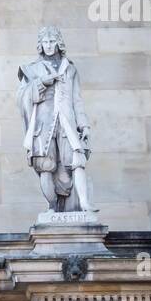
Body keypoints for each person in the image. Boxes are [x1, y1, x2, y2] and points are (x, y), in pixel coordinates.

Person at [17, 26, 95, 213]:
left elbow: (77, 99)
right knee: (45, 165)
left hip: (67, 120)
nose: (49, 46)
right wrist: (42, 82)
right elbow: (21, 97)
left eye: (52, 41)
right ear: (40, 45)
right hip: (43, 124)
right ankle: (52, 207)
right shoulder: (32, 69)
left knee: (77, 159)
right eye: (45, 42)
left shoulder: (70, 68)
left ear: (59, 43)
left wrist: (83, 124)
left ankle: (85, 203)